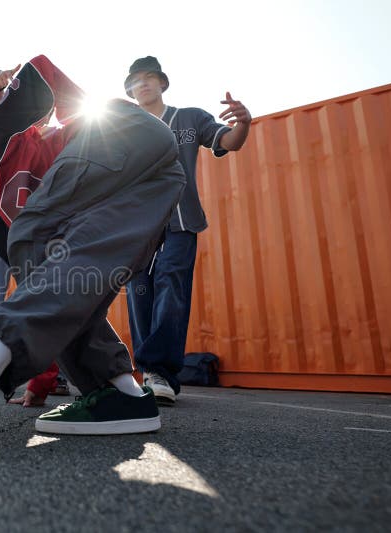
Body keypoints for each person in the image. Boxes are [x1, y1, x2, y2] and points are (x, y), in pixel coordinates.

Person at [0, 55, 187, 435]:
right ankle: (120, 393)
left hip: (125, 134)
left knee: (27, 239)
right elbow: (55, 306)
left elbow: (40, 70)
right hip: (155, 186)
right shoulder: (5, 238)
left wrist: (91, 121)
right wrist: (39, 384)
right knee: (60, 283)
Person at [122, 57, 251, 405]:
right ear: (130, 91)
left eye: (149, 77)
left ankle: (160, 372)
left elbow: (230, 141)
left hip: (180, 221)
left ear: (162, 83)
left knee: (170, 284)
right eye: (136, 80)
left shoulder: (190, 119)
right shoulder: (121, 129)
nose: (143, 83)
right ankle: (148, 373)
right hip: (135, 226)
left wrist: (244, 122)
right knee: (139, 292)